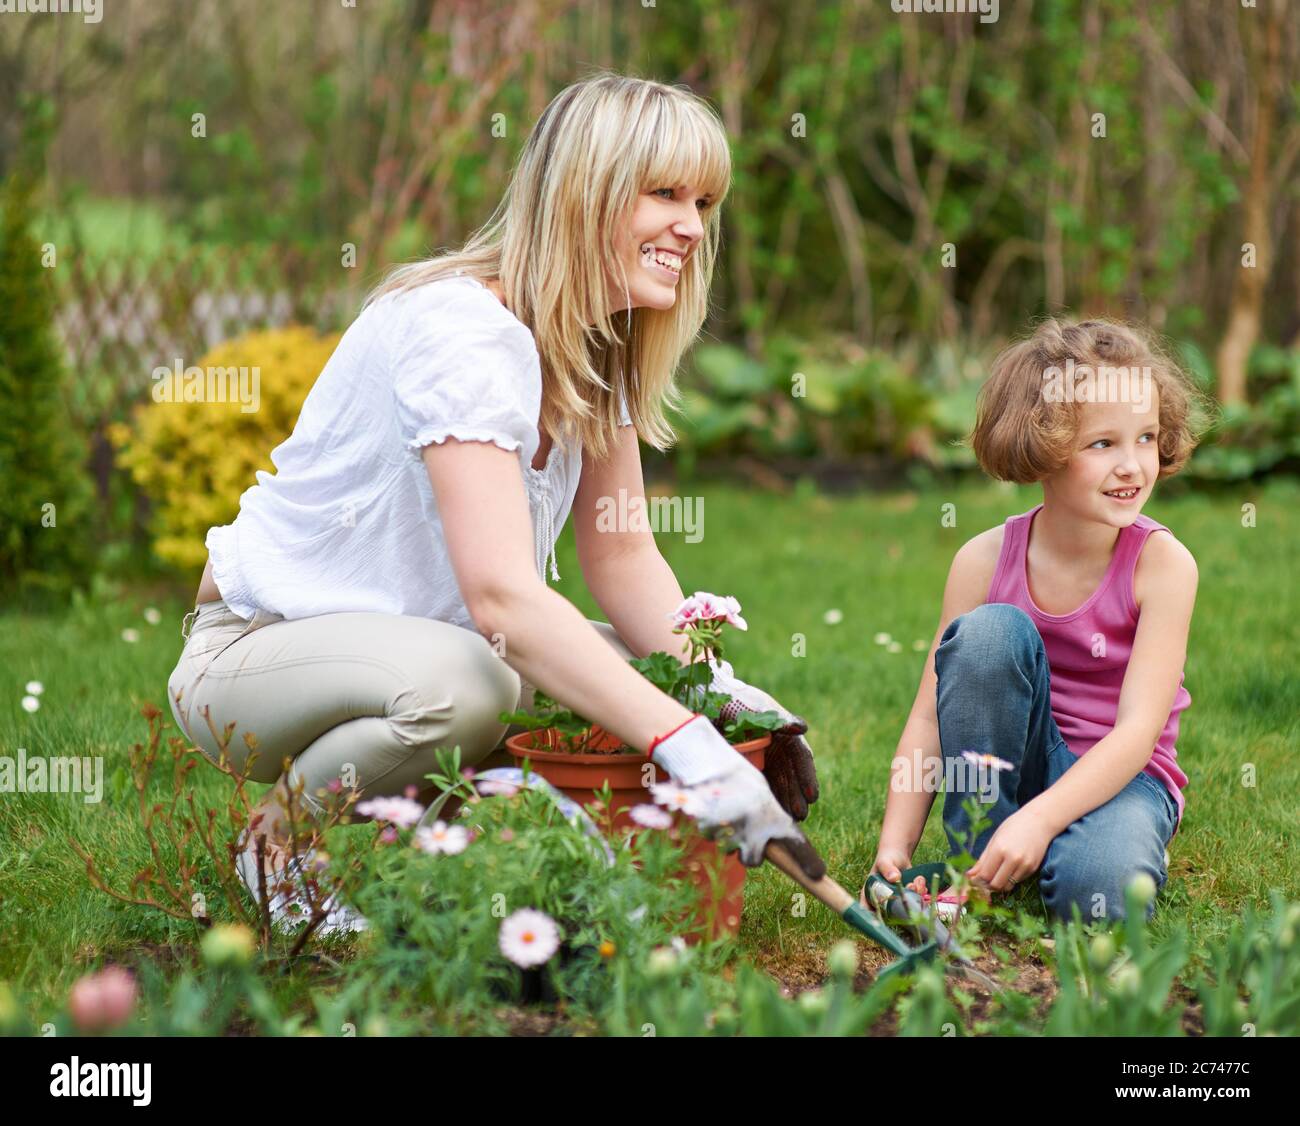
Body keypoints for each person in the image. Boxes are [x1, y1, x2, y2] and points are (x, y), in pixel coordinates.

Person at [166, 72, 824, 932]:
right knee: (470, 683)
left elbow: (623, 558)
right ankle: (279, 848)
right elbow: (503, 600)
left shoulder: (599, 352)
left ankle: (454, 860)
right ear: (583, 194)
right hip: (255, 654)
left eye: (703, 201)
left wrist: (726, 702)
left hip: (425, 649)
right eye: (663, 193)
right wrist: (686, 743)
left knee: (615, 683)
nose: (691, 227)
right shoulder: (462, 333)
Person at [869, 317, 1208, 923]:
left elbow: (1137, 734)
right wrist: (894, 846)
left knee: (1098, 898)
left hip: (1124, 777)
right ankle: (978, 858)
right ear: (1044, 448)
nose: (1133, 465)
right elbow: (927, 717)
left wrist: (1041, 819)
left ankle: (1051, 843)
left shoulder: (1163, 566)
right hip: (1018, 767)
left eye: (1147, 437)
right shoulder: (980, 560)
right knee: (989, 634)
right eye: (1103, 444)